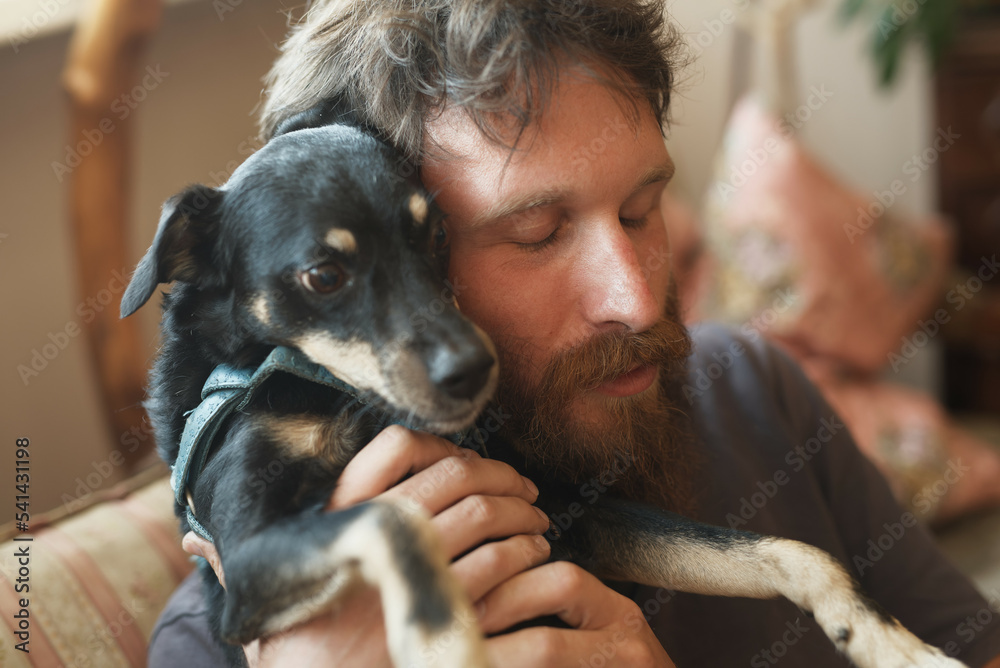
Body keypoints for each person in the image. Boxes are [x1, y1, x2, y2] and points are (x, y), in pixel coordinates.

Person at [148, 1, 1000, 666]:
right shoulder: (226, 645)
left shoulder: (748, 384)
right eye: (536, 234)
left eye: (642, 209)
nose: (635, 300)